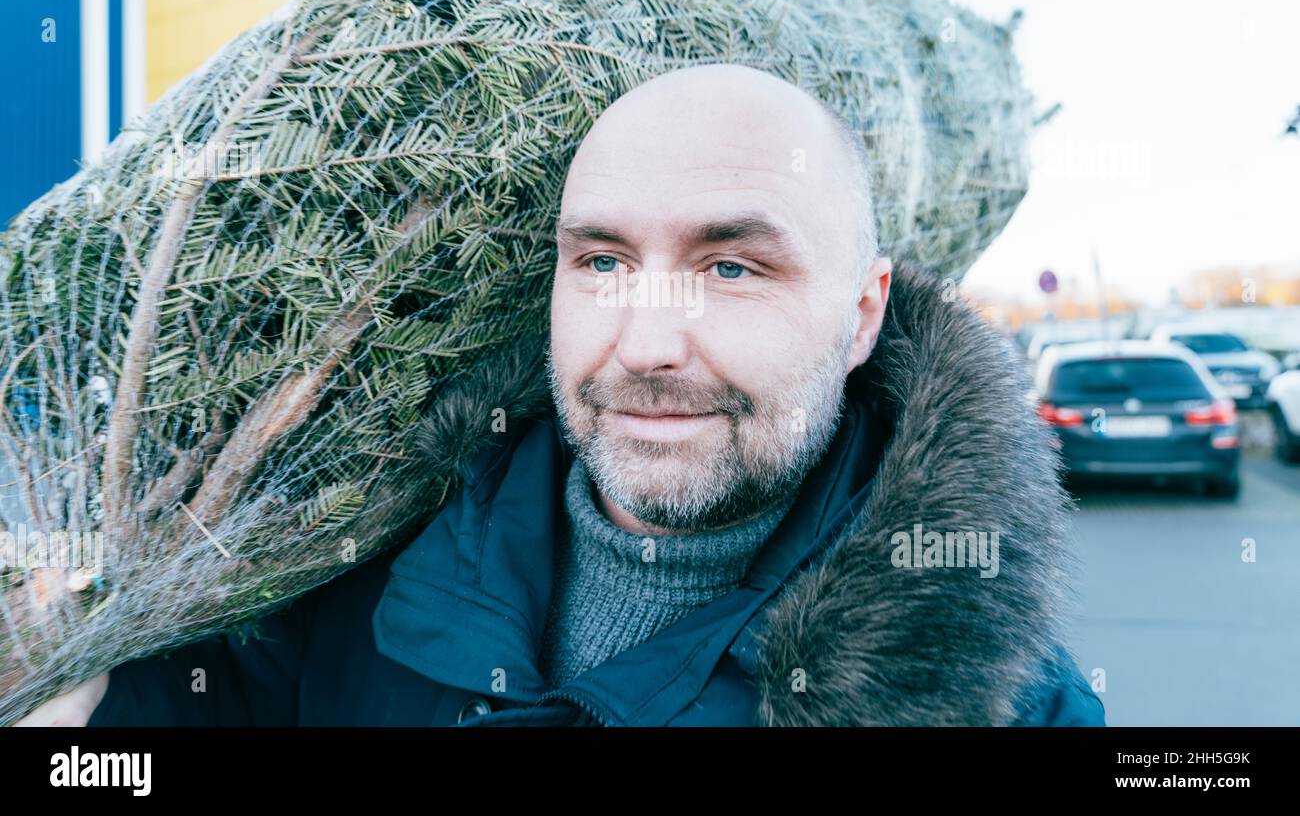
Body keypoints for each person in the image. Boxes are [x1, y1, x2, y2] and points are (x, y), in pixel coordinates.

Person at [19, 64, 1103, 727]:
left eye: (731, 267)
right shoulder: (363, 564)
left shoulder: (1000, 699)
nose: (646, 343)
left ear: (863, 312)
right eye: (601, 262)